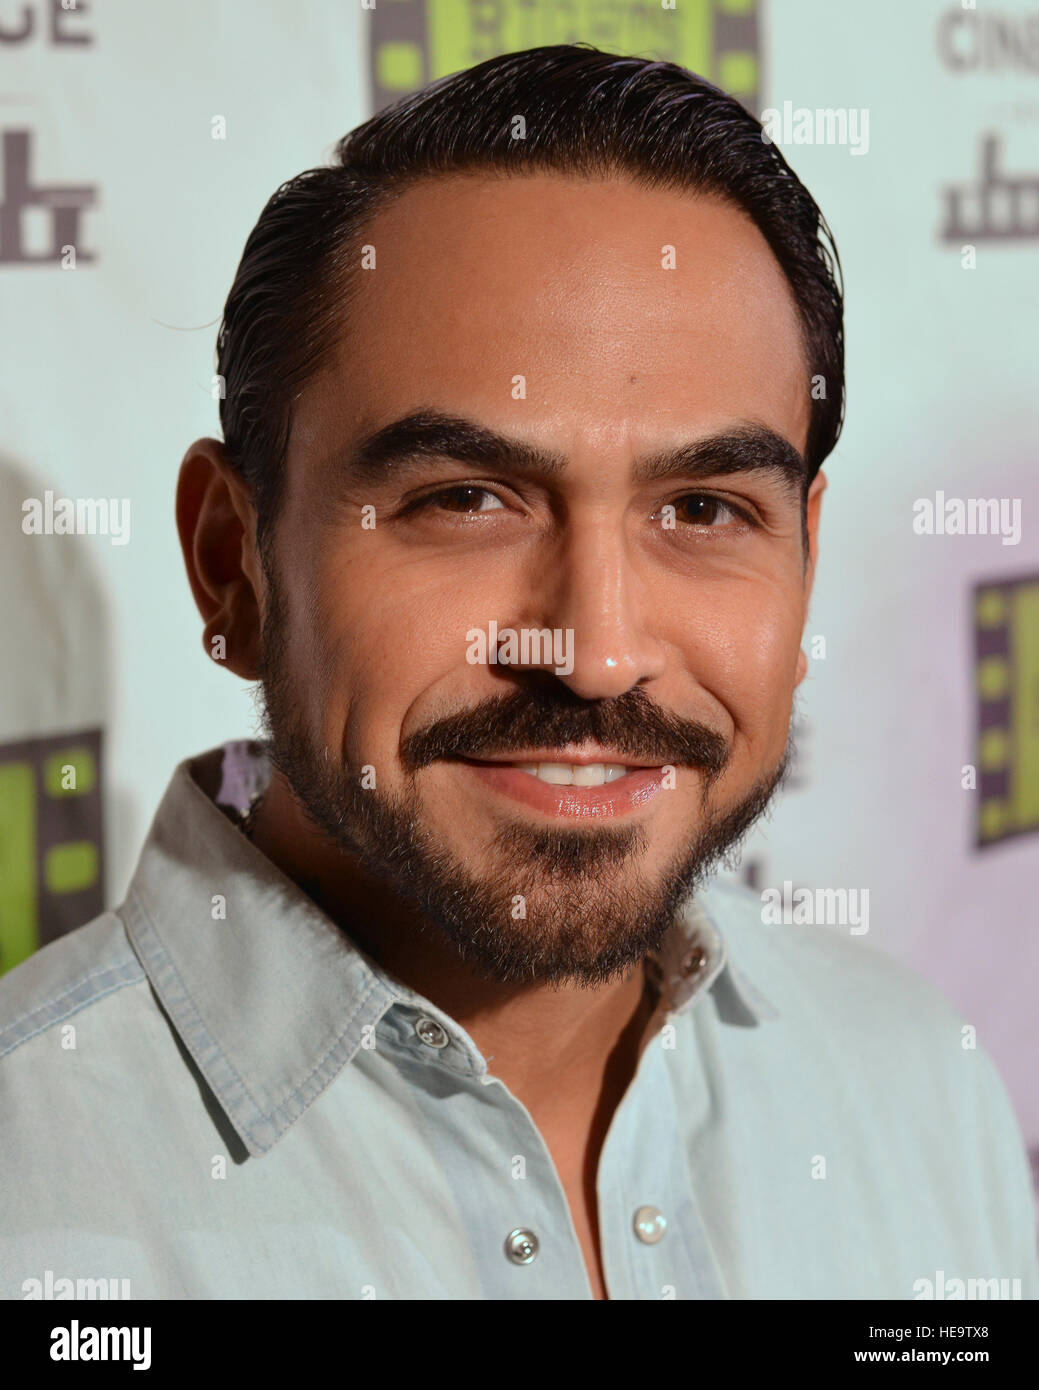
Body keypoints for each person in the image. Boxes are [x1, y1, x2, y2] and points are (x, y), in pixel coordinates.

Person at [1, 45, 1035, 1302]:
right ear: (234, 566)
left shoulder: (919, 1085)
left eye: (702, 510)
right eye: (466, 500)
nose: (595, 656)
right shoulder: (32, 1181)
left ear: (805, 558)